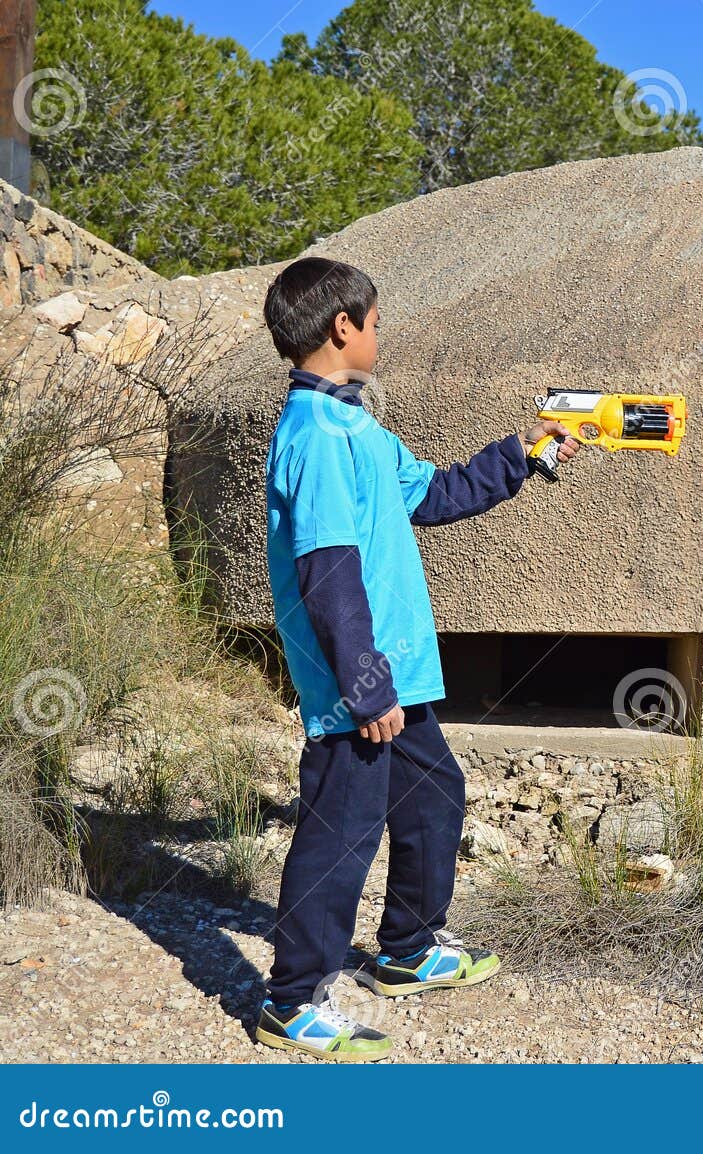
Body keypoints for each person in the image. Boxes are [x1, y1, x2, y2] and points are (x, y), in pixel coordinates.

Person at [252, 257, 580, 1061]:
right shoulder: (315, 436)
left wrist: (522, 453)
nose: (379, 335)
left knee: (433, 797)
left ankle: (407, 949)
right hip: (359, 687)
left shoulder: (355, 426)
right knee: (340, 836)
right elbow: (326, 571)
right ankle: (292, 1003)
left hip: (395, 676)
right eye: (374, 323)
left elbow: (431, 494)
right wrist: (364, 686)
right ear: (343, 328)